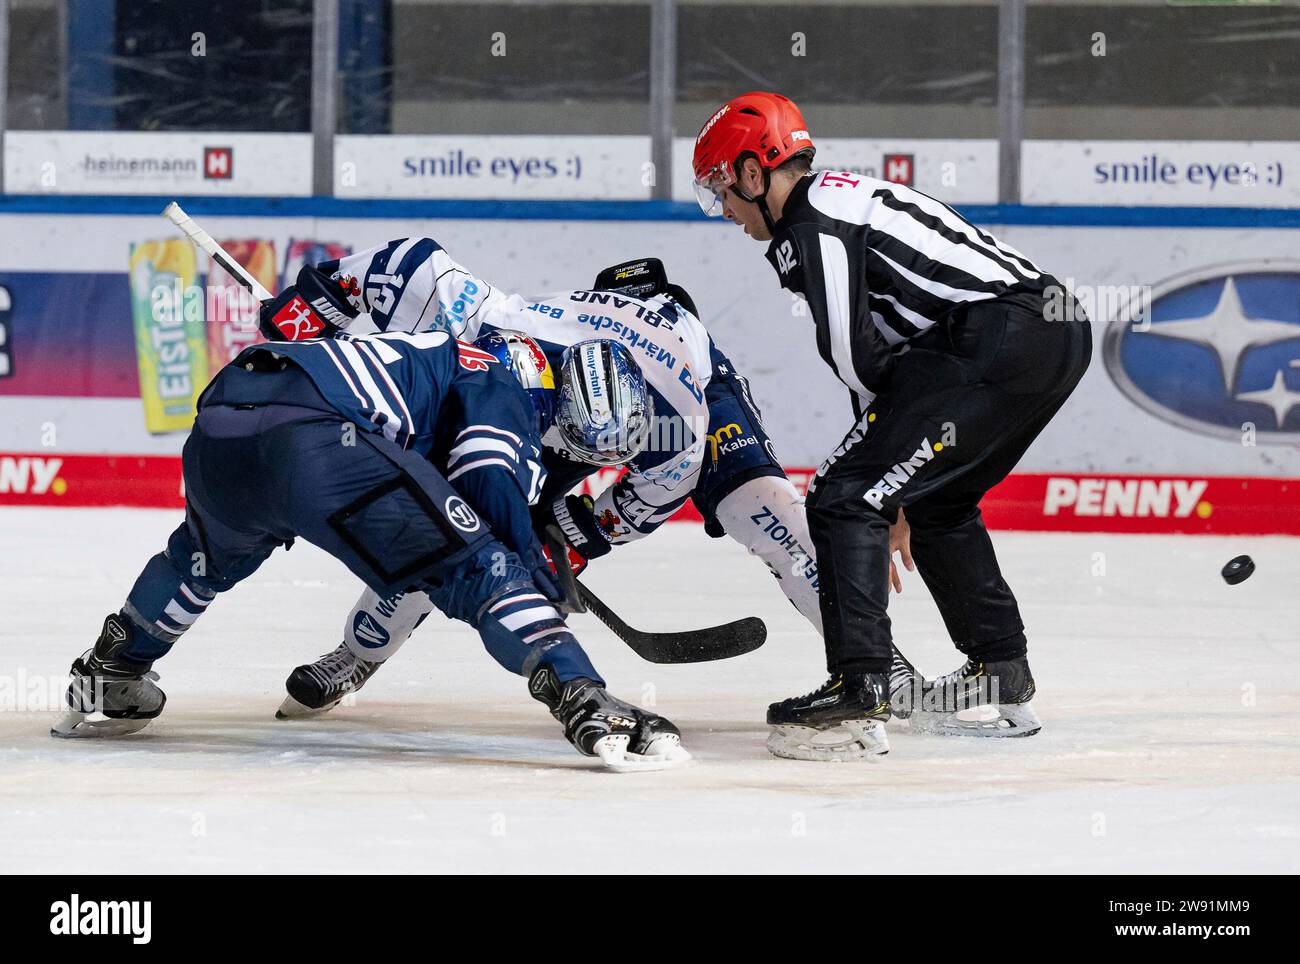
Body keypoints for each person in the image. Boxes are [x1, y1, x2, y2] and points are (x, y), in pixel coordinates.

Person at [53, 322, 690, 772]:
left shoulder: (473, 355)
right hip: (317, 442)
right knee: (481, 571)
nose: (569, 458)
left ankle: (111, 669)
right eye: (577, 445)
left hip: (223, 420)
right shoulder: (508, 384)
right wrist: (533, 571)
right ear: (568, 404)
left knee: (198, 562)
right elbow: (489, 481)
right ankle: (585, 697)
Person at [259, 244, 838, 720]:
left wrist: (570, 539)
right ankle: (358, 653)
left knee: (766, 509)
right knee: (449, 522)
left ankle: (871, 664)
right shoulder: (495, 328)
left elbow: (636, 506)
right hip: (553, 397)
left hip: (698, 382)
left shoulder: (677, 435)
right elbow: (403, 262)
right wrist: (314, 303)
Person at [692, 91, 1092, 760]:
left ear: (755, 172)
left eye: (722, 189)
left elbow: (855, 357)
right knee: (937, 501)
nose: (723, 210)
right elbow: (888, 367)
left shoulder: (812, 222)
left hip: (997, 335)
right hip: (1050, 332)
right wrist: (896, 482)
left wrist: (879, 485)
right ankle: (1000, 668)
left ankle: (860, 688)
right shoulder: (838, 203)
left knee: (841, 498)